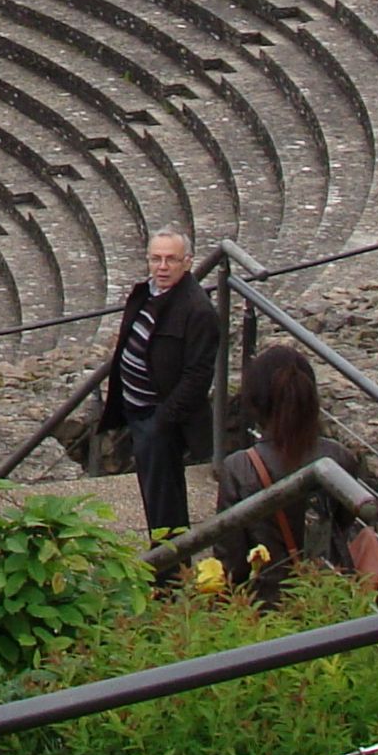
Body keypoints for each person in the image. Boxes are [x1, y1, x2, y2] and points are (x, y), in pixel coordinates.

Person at [213, 346, 378, 597]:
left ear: (255, 403)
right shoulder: (338, 458)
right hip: (329, 594)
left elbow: (231, 557)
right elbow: (341, 523)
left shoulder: (239, 469)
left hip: (266, 602)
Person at [100, 231, 219, 545]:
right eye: (156, 258)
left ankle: (168, 575)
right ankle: (171, 566)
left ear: (187, 263)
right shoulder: (148, 292)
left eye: (171, 259)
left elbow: (197, 377)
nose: (162, 266)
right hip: (137, 410)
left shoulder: (198, 311)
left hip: (160, 419)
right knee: (158, 495)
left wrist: (161, 421)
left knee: (164, 504)